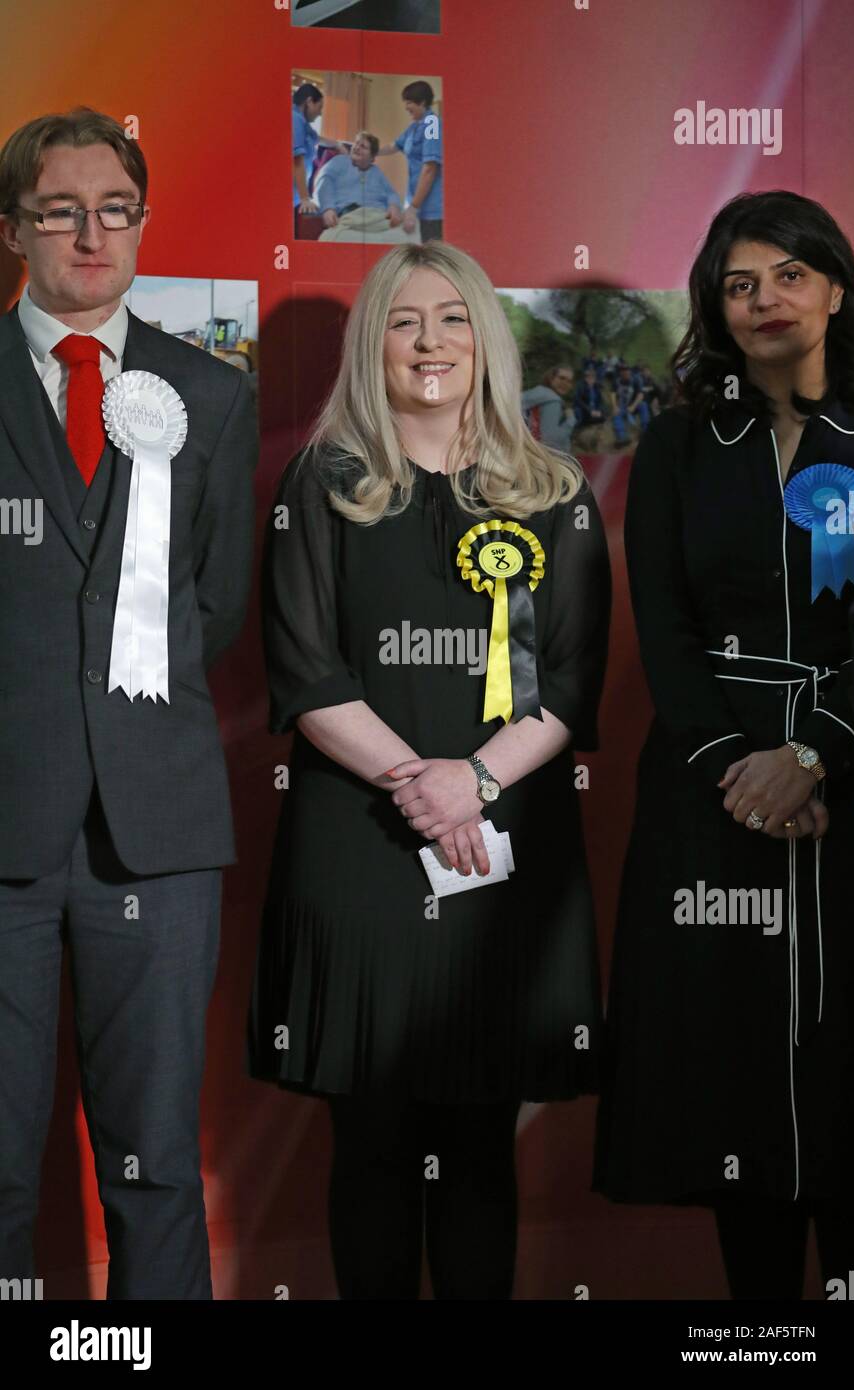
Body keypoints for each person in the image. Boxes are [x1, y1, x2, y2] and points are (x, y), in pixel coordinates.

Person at [248, 240, 610, 1300]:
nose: (429, 342)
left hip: (505, 855)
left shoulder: (552, 491)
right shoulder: (322, 483)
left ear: (485, 339)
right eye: (404, 321)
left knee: (477, 1135)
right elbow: (304, 671)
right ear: (374, 344)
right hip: (358, 850)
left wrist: (478, 782)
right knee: (369, 1135)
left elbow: (575, 677)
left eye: (451, 318)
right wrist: (426, 783)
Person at [0, 108, 257, 1298]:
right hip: (3, 826)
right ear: (16, 229)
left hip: (155, 831)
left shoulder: (209, 387)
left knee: (153, 1164)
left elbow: (213, 603)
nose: (91, 233)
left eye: (115, 208)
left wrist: (120, 717)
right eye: (61, 209)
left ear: (143, 222)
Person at [594, 190, 854, 1300]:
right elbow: (661, 625)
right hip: (713, 804)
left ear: (835, 287)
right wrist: (736, 768)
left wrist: (815, 751)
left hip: (849, 784)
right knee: (735, 1090)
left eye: (785, 276)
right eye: (737, 283)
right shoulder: (675, 445)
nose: (761, 301)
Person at [316, 132, 411, 244]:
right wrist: (328, 208)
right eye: (356, 143)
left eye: (363, 146)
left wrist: (394, 206)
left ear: (372, 158)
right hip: (351, 218)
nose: (357, 147)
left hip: (378, 218)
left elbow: (391, 193)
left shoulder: (377, 172)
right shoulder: (338, 161)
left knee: (411, 233)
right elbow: (324, 182)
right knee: (329, 239)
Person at [378, 81, 443, 243]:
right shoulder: (414, 127)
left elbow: (430, 168)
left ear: (422, 102)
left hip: (431, 208)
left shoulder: (432, 124)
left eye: (409, 102)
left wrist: (413, 208)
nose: (406, 107)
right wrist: (373, 152)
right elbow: (395, 145)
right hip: (417, 203)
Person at [292, 83, 347, 224]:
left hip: (296, 197)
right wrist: (305, 199)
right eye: (319, 107)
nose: (320, 113)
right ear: (309, 102)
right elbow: (297, 161)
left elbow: (317, 139)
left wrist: (337, 144)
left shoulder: (303, 123)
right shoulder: (295, 119)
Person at [521, 364, 576, 450]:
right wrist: (571, 420)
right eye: (562, 378)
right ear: (551, 378)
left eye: (569, 381)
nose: (565, 383)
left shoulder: (536, 393)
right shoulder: (553, 401)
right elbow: (550, 440)